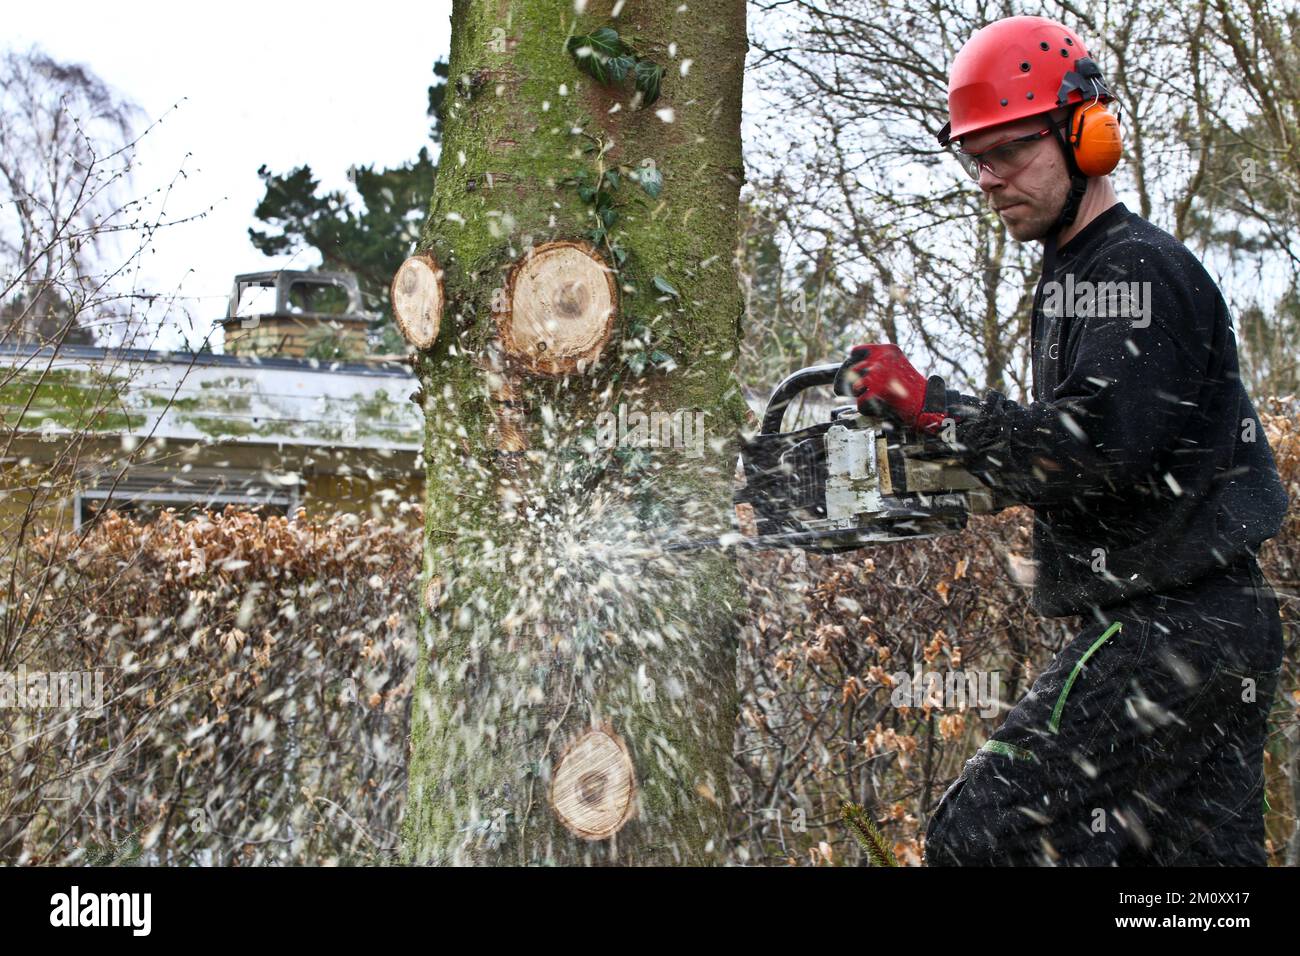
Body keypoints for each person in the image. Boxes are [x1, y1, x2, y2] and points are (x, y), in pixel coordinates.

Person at [845, 14, 1289, 865]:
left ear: (1084, 134)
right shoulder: (1077, 278)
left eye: (1008, 150)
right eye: (974, 156)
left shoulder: (1131, 270)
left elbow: (1092, 448)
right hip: (1211, 622)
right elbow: (1091, 459)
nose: (988, 177)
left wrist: (933, 409)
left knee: (979, 836)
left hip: (1167, 623)